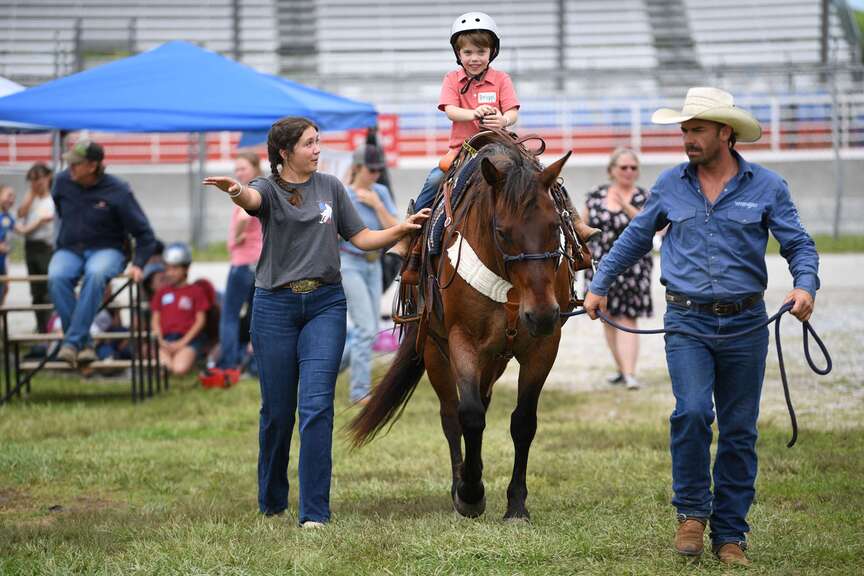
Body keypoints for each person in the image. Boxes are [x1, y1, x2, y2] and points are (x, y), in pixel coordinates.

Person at [583, 87, 819, 566]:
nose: (687, 138)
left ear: (725, 133)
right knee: (691, 412)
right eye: (685, 129)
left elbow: (799, 244)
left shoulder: (768, 186)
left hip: (746, 323)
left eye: (697, 130)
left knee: (738, 430)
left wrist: (804, 285)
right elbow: (634, 237)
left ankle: (731, 535)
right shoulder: (670, 184)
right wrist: (600, 283)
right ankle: (691, 513)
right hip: (686, 319)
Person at [202, 116, 429, 527]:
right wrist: (236, 191)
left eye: (318, 141)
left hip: (325, 303)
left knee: (316, 407)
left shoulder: (331, 187)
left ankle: (314, 513)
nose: (317, 149)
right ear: (285, 153)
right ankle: (272, 499)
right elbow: (251, 201)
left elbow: (360, 239)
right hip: (274, 308)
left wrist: (400, 229)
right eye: (309, 144)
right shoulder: (268, 189)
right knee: (277, 411)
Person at [392, 11, 598, 264]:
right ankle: (408, 237)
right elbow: (450, 111)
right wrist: (473, 113)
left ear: (492, 52)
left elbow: (512, 112)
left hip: (502, 148)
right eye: (467, 53)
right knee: (435, 180)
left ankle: (575, 225)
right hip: (463, 151)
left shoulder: (501, 79)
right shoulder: (452, 79)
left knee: (545, 176)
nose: (474, 58)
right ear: (458, 54)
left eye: (481, 52)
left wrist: (502, 120)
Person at [48, 139, 157, 367]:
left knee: (96, 274)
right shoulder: (60, 182)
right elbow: (61, 212)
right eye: (70, 163)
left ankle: (72, 342)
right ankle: (84, 343)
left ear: (93, 166)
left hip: (108, 249)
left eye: (76, 164)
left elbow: (145, 234)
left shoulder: (118, 190)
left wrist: (138, 263)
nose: (70, 168)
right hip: (70, 248)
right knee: (56, 277)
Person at [583, 148, 653, 390]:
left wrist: (624, 205)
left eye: (633, 167)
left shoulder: (645, 197)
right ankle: (621, 370)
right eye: (623, 167)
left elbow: (649, 227)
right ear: (611, 170)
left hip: (633, 268)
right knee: (608, 319)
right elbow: (582, 228)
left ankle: (630, 373)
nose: (629, 172)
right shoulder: (595, 196)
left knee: (628, 318)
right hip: (601, 266)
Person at [339, 143, 399, 404]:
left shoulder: (381, 192)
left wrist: (377, 205)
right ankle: (359, 391)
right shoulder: (343, 195)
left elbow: (397, 229)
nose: (375, 175)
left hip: (374, 265)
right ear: (357, 168)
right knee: (365, 328)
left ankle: (324, 372)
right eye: (370, 170)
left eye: (378, 170)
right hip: (349, 263)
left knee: (369, 328)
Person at [218, 151, 263, 375]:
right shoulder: (262, 189)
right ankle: (255, 364)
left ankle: (227, 363)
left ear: (255, 168)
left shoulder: (249, 191)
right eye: (236, 169)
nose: (238, 173)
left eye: (243, 168)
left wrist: (237, 236)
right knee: (257, 318)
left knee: (230, 315)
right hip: (257, 264)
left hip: (243, 263)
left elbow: (245, 217)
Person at [151, 242, 210, 376]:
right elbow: (155, 319)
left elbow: (200, 321)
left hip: (188, 340)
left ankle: (195, 359)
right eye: (167, 268)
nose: (170, 273)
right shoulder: (161, 292)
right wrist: (160, 341)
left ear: (186, 269)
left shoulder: (196, 291)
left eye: (175, 269)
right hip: (165, 340)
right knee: (165, 369)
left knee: (179, 369)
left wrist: (182, 343)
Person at [15, 163, 55, 331]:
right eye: (32, 180)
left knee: (48, 289)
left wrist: (24, 229)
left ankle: (50, 326)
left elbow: (38, 224)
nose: (35, 184)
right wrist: (31, 194)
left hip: (46, 248)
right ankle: (41, 327)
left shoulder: (51, 200)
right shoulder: (31, 198)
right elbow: (20, 213)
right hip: (31, 247)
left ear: (47, 178)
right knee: (36, 290)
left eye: (38, 179)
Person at [0, 185, 16, 306]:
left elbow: (21, 229)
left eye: (13, 197)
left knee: (4, 289)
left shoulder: (9, 217)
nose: (12, 199)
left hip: (3, 260)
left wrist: (40, 220)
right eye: (9, 195)